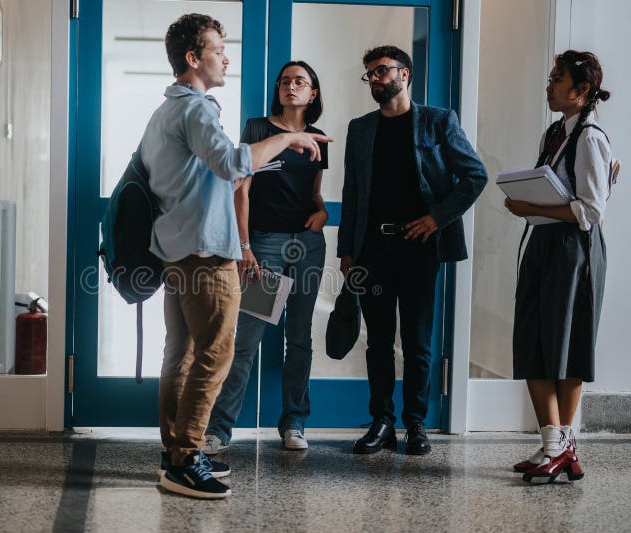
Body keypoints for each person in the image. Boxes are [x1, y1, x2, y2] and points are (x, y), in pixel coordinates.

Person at [143, 14, 330, 499]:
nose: (225, 57)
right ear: (193, 58)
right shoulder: (198, 109)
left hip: (178, 250)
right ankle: (185, 461)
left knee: (180, 355)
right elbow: (232, 163)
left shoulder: (164, 111)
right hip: (206, 254)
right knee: (216, 354)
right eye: (218, 49)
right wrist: (288, 138)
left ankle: (175, 453)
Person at [338, 45, 487, 455]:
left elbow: (475, 175)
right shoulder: (361, 129)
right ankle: (382, 421)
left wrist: (437, 218)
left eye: (382, 71)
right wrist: (347, 251)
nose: (375, 79)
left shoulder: (439, 122)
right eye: (369, 74)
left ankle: (416, 424)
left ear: (405, 74)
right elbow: (353, 193)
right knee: (379, 341)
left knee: (419, 340)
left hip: (419, 248)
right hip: (372, 250)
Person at [203, 61, 329, 454]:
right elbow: (241, 191)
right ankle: (220, 430)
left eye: (300, 82)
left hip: (307, 245)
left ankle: (294, 424)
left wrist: (323, 212)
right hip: (267, 247)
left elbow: (314, 193)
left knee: (300, 340)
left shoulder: (318, 139)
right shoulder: (258, 129)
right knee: (247, 341)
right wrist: (245, 246)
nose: (291, 87)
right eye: (285, 81)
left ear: (313, 94)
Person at [506, 50, 612, 484]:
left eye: (557, 78)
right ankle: (557, 445)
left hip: (574, 250)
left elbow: (590, 211)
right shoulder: (556, 131)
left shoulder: (590, 137)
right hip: (545, 243)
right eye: (550, 77)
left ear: (581, 89)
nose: (549, 85)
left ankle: (558, 446)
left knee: (567, 345)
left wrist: (527, 204)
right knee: (533, 339)